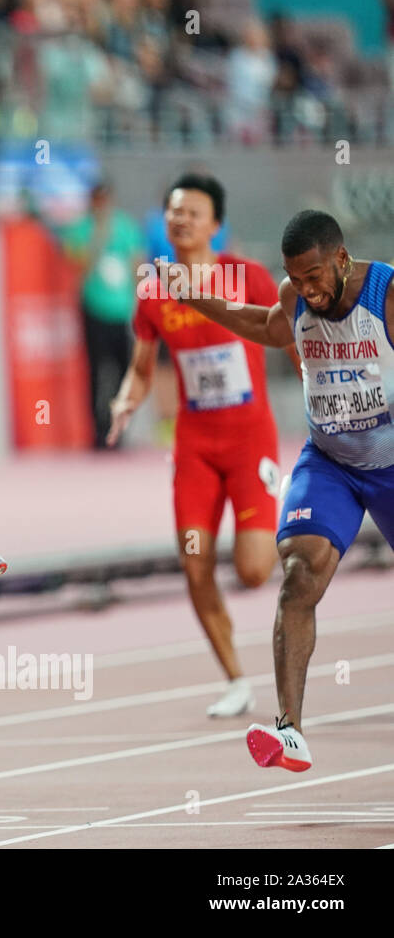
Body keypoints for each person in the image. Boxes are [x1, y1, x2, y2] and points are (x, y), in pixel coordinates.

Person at [165, 209, 394, 771]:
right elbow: (262, 324)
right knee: (298, 576)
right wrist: (194, 297)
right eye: (296, 277)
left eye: (315, 275)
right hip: (332, 462)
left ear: (341, 258)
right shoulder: (295, 298)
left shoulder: (386, 295)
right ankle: (289, 730)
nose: (307, 289)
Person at [109, 173, 290, 718]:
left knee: (255, 571)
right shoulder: (153, 290)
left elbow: (289, 337)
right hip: (195, 447)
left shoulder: (249, 277)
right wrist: (126, 399)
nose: (180, 219)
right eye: (173, 211)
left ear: (216, 223)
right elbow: (142, 370)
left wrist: (315, 382)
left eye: (193, 212)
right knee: (194, 562)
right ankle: (235, 677)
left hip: (250, 440)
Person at [62, 180, 146, 449]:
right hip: (94, 309)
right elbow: (80, 266)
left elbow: (137, 264)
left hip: (122, 311)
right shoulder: (80, 230)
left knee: (123, 373)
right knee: (97, 373)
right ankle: (97, 432)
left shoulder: (125, 226)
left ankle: (119, 429)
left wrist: (140, 302)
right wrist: (98, 236)